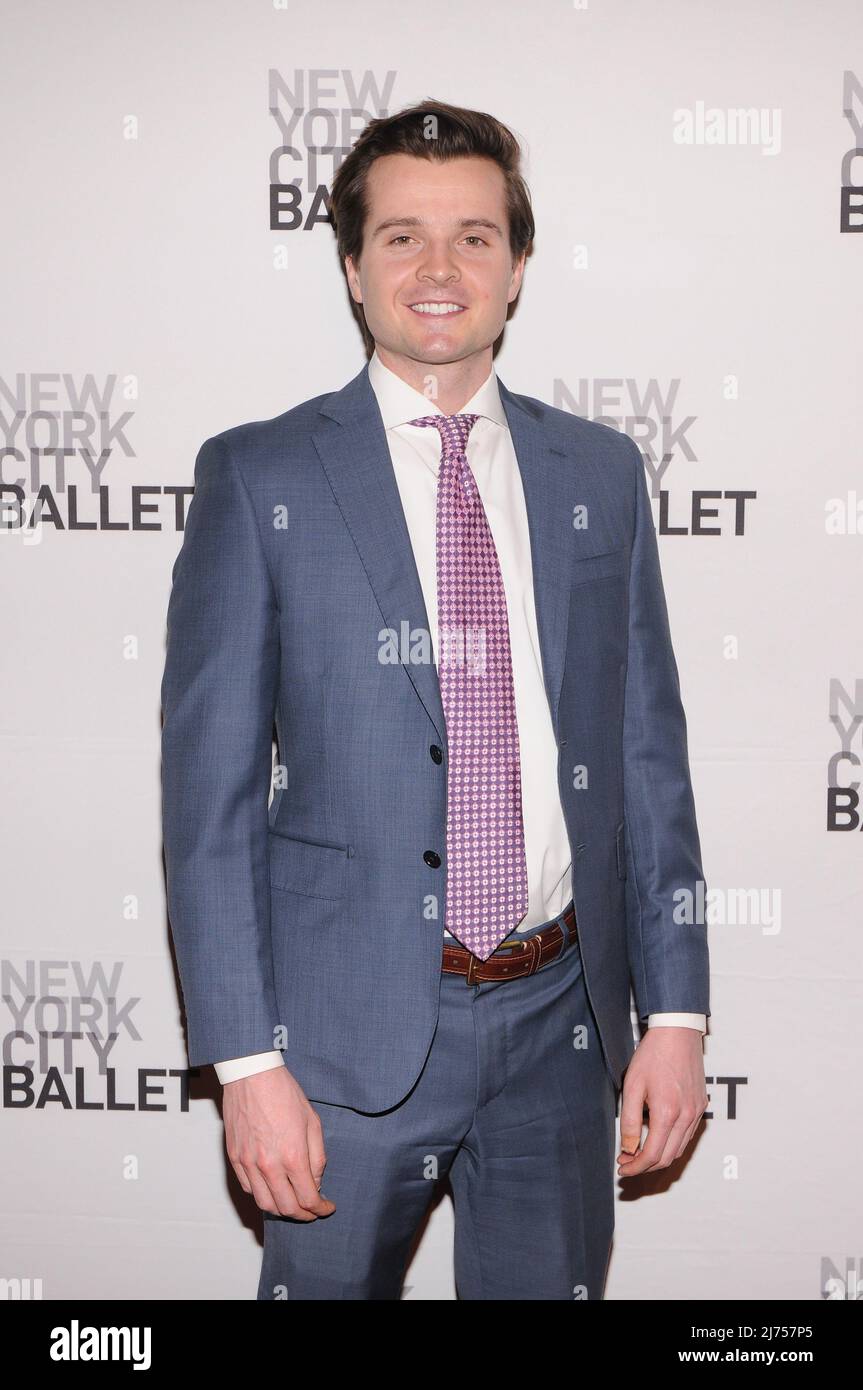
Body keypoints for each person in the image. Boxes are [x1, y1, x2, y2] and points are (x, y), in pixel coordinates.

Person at [160, 98, 710, 1301]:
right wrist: (246, 1060)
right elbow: (206, 801)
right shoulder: (259, 476)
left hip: (560, 1029)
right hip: (335, 1046)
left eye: (473, 235)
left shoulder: (600, 476)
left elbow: (644, 761)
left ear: (516, 267)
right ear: (353, 270)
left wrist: (673, 1015)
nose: (439, 267)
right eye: (401, 236)